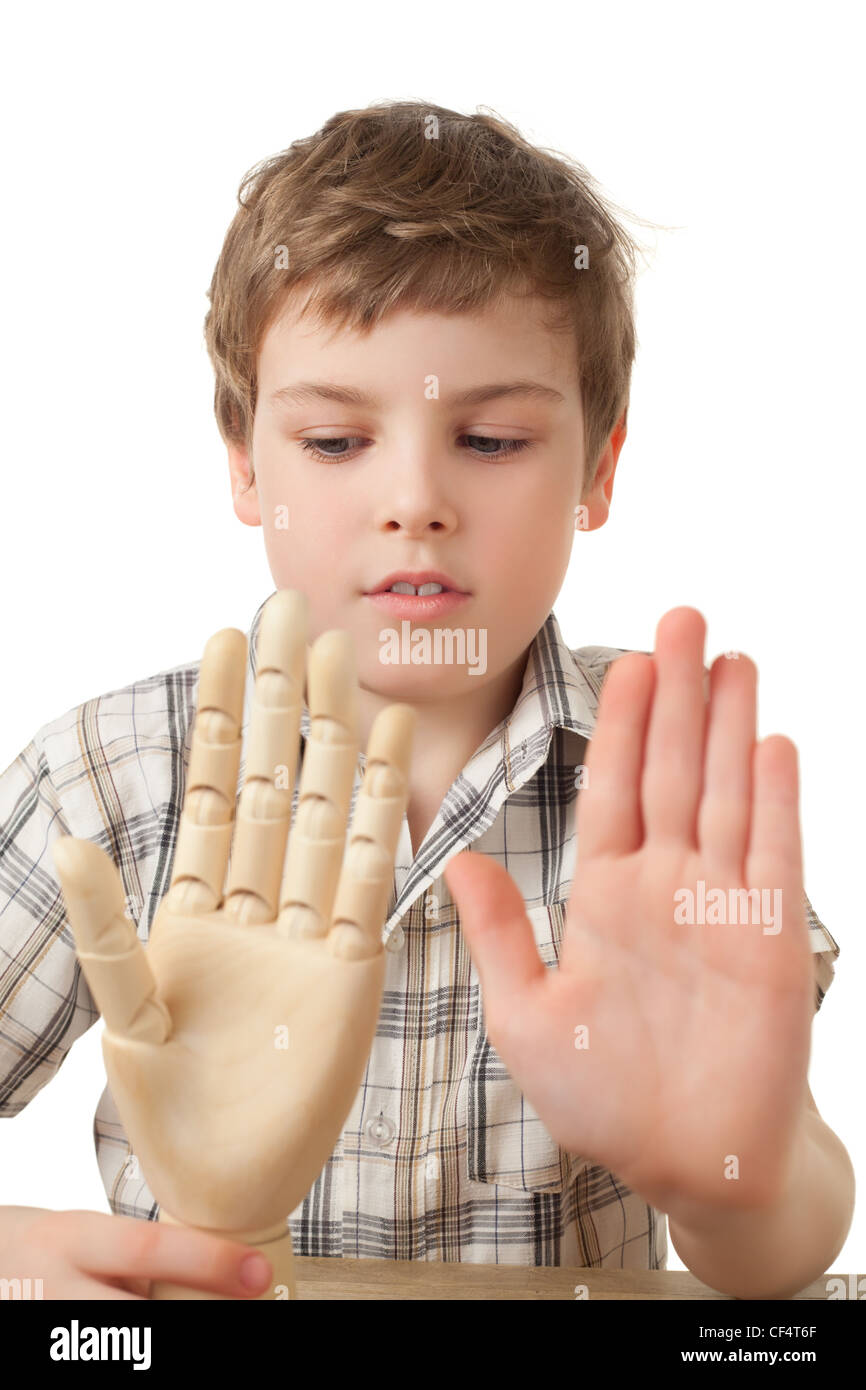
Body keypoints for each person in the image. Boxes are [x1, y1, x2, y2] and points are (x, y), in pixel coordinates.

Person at [0, 99, 851, 1300]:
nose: (414, 498)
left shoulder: (660, 786)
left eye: (491, 439)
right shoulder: (108, 774)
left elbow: (786, 1243)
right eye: (338, 441)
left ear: (596, 469)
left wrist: (740, 1181)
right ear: (245, 461)